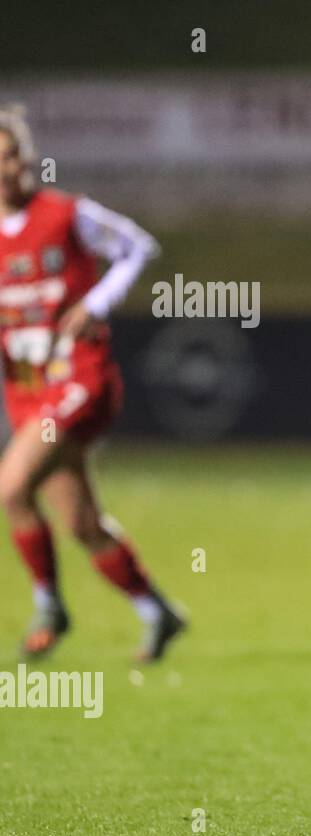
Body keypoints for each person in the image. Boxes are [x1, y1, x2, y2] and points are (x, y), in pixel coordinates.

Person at [0, 105, 185, 661]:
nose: (8, 167)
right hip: (28, 387)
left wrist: (95, 303)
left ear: (27, 157)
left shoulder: (65, 215)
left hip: (79, 378)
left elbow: (138, 246)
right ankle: (158, 612)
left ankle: (48, 604)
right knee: (81, 522)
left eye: (12, 154)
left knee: (10, 488)